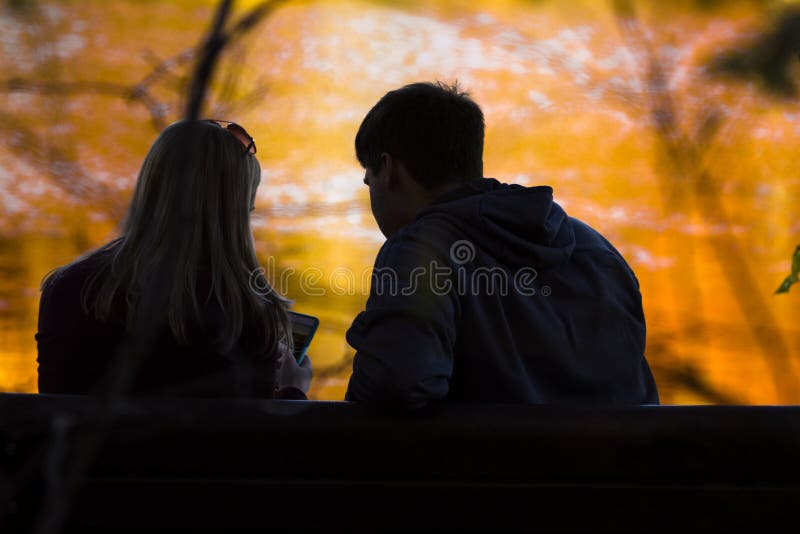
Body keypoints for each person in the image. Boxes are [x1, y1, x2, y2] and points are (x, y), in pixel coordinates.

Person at [345, 82, 659, 408]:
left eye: (369, 178)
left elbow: (394, 389)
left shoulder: (417, 251)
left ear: (389, 170)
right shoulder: (595, 249)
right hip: (613, 458)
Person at [36, 119, 312, 399]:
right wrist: (293, 390)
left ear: (151, 188)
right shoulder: (245, 311)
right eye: (247, 210)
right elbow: (254, 438)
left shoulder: (68, 289)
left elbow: (51, 415)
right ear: (234, 215)